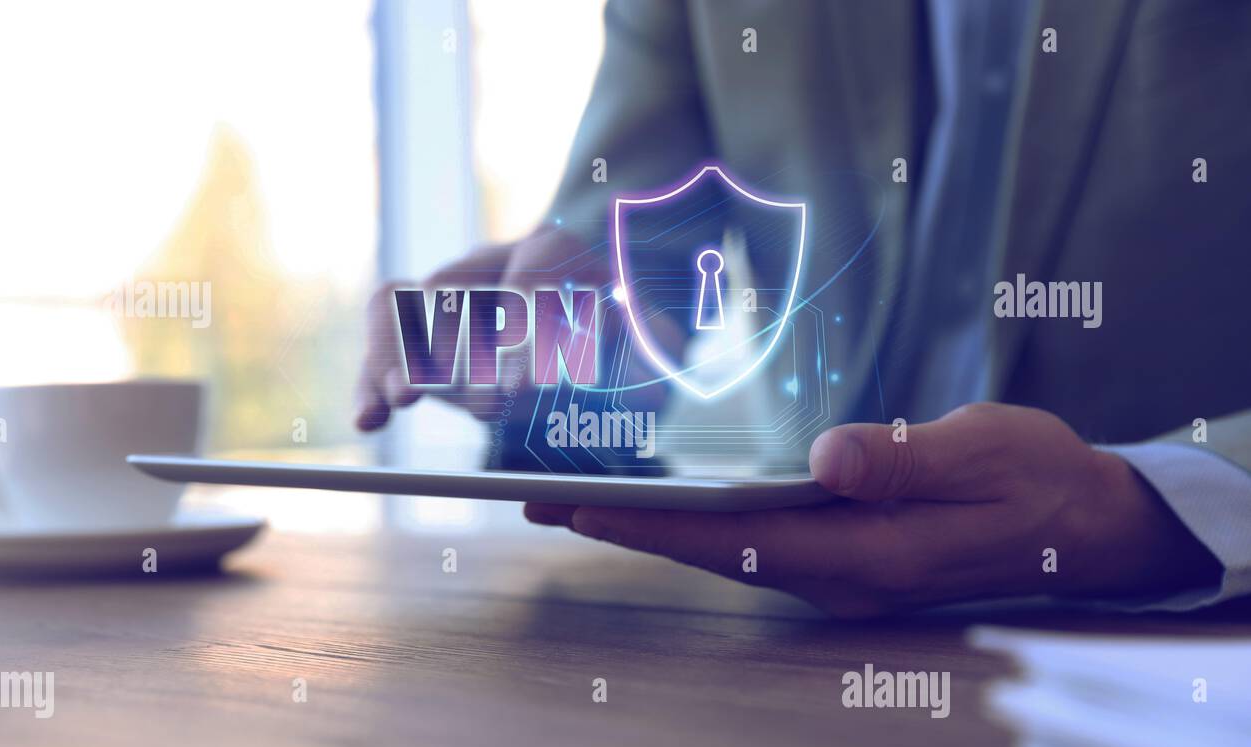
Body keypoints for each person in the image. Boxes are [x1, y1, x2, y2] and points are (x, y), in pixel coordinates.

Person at [356, 0, 1251, 617]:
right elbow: (626, 237)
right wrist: (572, 356)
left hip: (1184, 659)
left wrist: (1137, 510)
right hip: (794, 645)